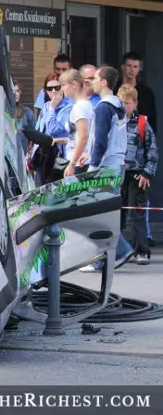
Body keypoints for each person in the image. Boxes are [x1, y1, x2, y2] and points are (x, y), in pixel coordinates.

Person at [78, 66, 133, 271]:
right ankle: (111, 255)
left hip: (105, 168)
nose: (91, 81)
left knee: (97, 214)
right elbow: (108, 139)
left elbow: (101, 140)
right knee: (104, 214)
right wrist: (91, 153)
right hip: (115, 164)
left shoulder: (103, 107)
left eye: (95, 78)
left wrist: (93, 164)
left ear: (104, 82)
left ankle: (114, 253)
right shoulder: (117, 105)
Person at [118, 84, 157, 266]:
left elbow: (152, 152)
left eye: (128, 103)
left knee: (137, 214)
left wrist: (147, 174)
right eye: (121, 102)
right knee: (116, 213)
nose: (124, 106)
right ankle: (119, 251)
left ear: (135, 103)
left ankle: (142, 251)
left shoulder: (142, 123)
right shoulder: (114, 121)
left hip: (136, 175)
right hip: (116, 175)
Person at [55, 70, 92, 177]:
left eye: (63, 85)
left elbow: (83, 137)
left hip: (79, 164)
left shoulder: (79, 108)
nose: (62, 89)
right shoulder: (86, 105)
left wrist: (72, 163)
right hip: (81, 161)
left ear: (74, 85)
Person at [116, 52, 157, 134]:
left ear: (138, 69)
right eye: (129, 66)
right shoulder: (114, 89)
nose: (132, 69)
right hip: (117, 133)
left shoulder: (146, 92)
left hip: (140, 137)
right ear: (123, 67)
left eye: (135, 67)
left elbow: (152, 119)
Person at [14, 83, 35, 155]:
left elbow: (35, 134)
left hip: (23, 155)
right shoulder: (2, 112)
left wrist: (31, 150)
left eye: (17, 91)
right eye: (13, 91)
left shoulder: (27, 112)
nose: (16, 94)